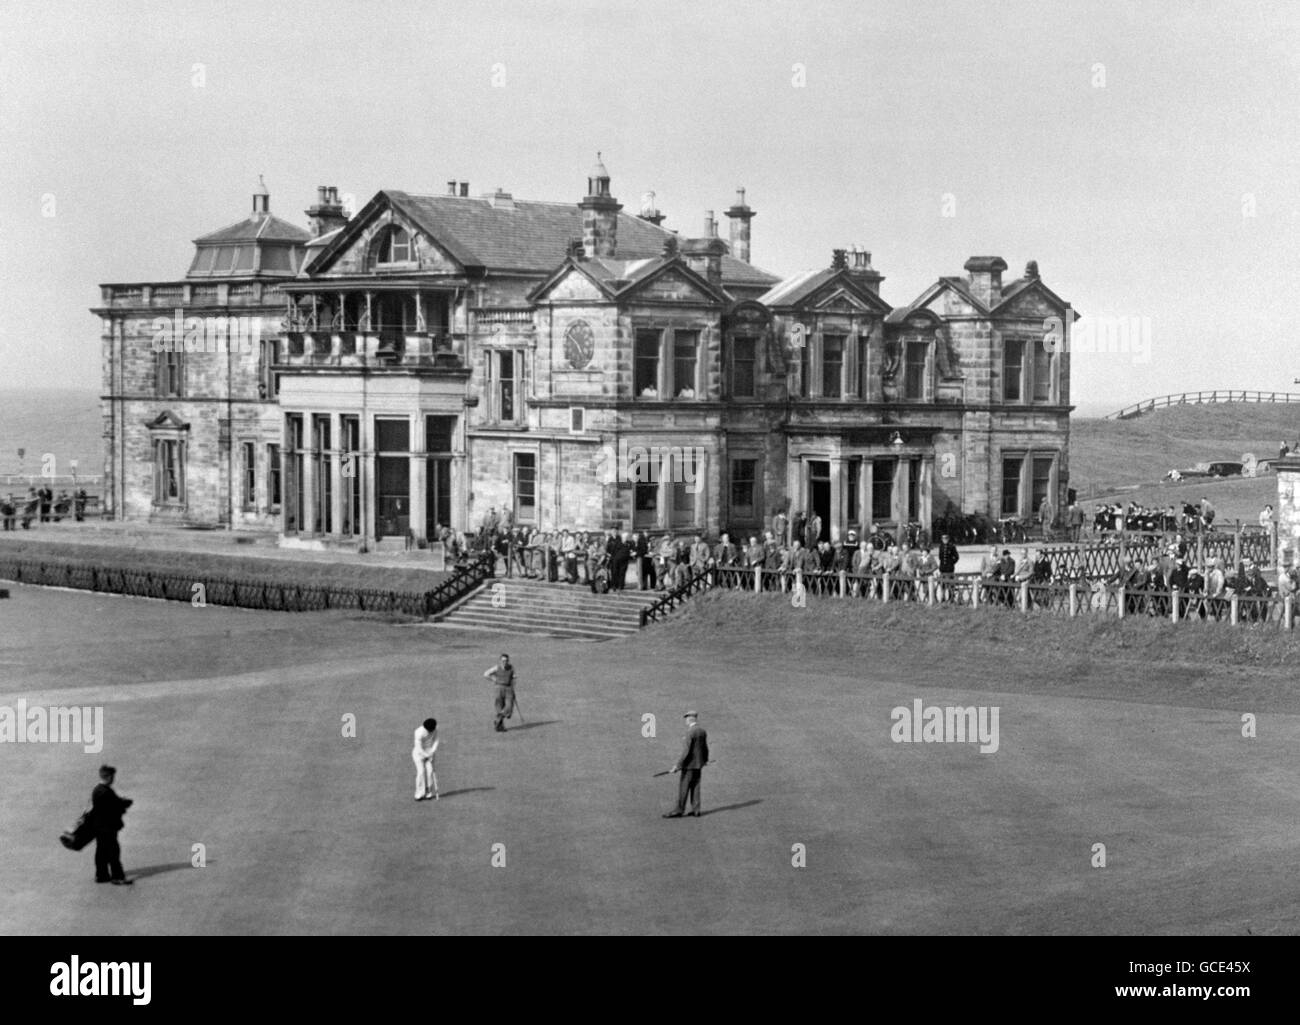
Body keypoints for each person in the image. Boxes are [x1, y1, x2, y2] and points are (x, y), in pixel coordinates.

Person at [91, 765, 133, 885]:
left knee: (101, 851)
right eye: (113, 776)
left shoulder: (97, 789)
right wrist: (125, 803)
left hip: (98, 826)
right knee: (113, 852)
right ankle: (117, 876)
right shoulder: (106, 792)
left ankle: (101, 875)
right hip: (108, 827)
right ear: (109, 777)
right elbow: (114, 807)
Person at [663, 711, 710, 818]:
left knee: (684, 788)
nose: (685, 721)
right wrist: (705, 760)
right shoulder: (702, 731)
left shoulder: (690, 732)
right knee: (696, 787)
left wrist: (677, 766)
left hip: (689, 766)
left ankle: (679, 810)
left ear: (689, 719)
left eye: (686, 719)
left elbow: (686, 752)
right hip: (698, 765)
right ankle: (696, 810)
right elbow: (705, 748)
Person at [484, 653, 517, 733]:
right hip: (499, 688)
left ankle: (498, 718)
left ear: (508, 661)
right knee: (499, 706)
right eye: (503, 661)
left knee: (509, 706)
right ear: (500, 661)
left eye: (506, 660)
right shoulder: (496, 668)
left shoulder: (511, 668)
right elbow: (486, 674)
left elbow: (514, 678)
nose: (504, 662)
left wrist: (513, 689)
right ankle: (500, 726)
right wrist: (494, 680)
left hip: (508, 688)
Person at [412, 717, 439, 801]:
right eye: (430, 730)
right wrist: (425, 755)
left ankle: (429, 792)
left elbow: (436, 740)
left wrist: (432, 752)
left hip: (430, 752)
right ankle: (419, 793)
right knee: (421, 772)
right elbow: (418, 747)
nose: (432, 732)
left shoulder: (435, 729)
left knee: (430, 772)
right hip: (419, 754)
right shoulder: (418, 732)